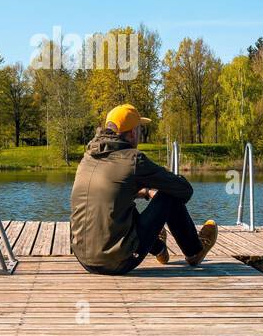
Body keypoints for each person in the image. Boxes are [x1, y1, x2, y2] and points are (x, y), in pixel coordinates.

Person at [69, 103, 217, 275]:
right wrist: (160, 191)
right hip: (118, 261)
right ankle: (194, 251)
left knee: (119, 205)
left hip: (83, 259)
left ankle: (159, 249)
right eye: (139, 130)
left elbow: (113, 192)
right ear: (133, 133)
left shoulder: (87, 157)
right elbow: (184, 190)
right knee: (169, 195)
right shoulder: (133, 159)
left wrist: (146, 192)